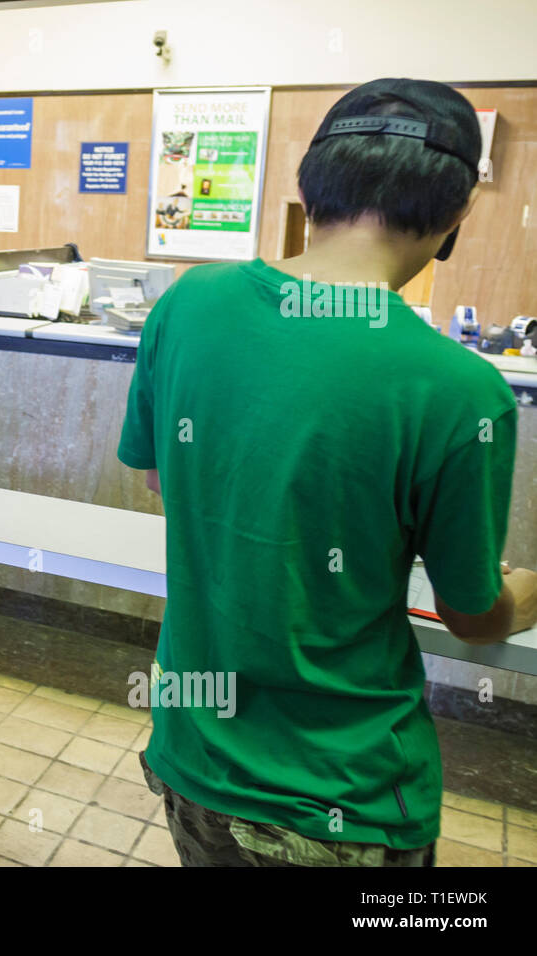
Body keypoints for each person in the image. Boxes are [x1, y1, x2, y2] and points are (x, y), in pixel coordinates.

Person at [118, 78, 537, 867]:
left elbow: (168, 486)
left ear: (311, 189)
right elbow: (474, 611)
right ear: (455, 220)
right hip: (338, 802)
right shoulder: (457, 390)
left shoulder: (189, 302)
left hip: (191, 759)